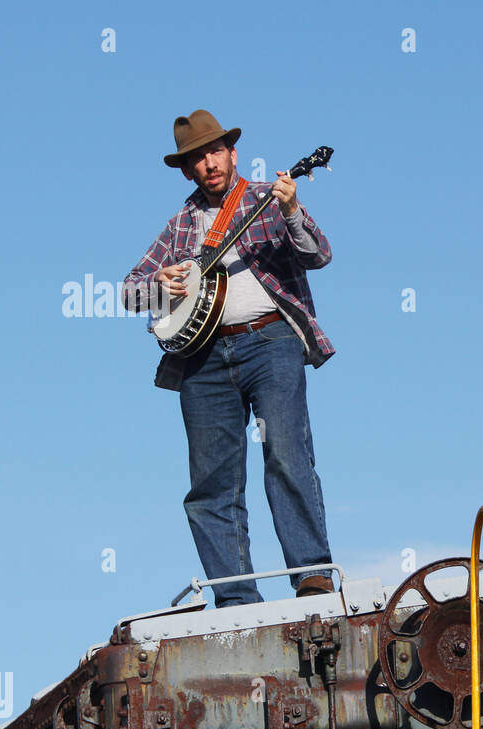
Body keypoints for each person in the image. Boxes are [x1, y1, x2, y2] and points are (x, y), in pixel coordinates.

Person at [122, 110, 337, 606]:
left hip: (270, 343)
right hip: (202, 359)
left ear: (232, 153)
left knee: (286, 453)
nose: (209, 163)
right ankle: (235, 598)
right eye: (197, 159)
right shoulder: (179, 226)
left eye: (215, 152)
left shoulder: (266, 198)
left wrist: (292, 211)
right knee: (211, 482)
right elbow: (129, 293)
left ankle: (312, 575)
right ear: (187, 170)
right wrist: (158, 286)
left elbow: (319, 254)